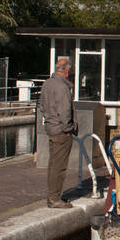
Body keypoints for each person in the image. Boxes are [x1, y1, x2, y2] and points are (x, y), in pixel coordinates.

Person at [41, 56, 77, 207]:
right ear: (67, 71)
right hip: (61, 131)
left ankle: (52, 195)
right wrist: (68, 128)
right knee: (59, 166)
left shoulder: (47, 84)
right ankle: (54, 199)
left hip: (51, 128)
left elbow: (42, 107)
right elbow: (65, 111)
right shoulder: (62, 87)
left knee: (53, 164)